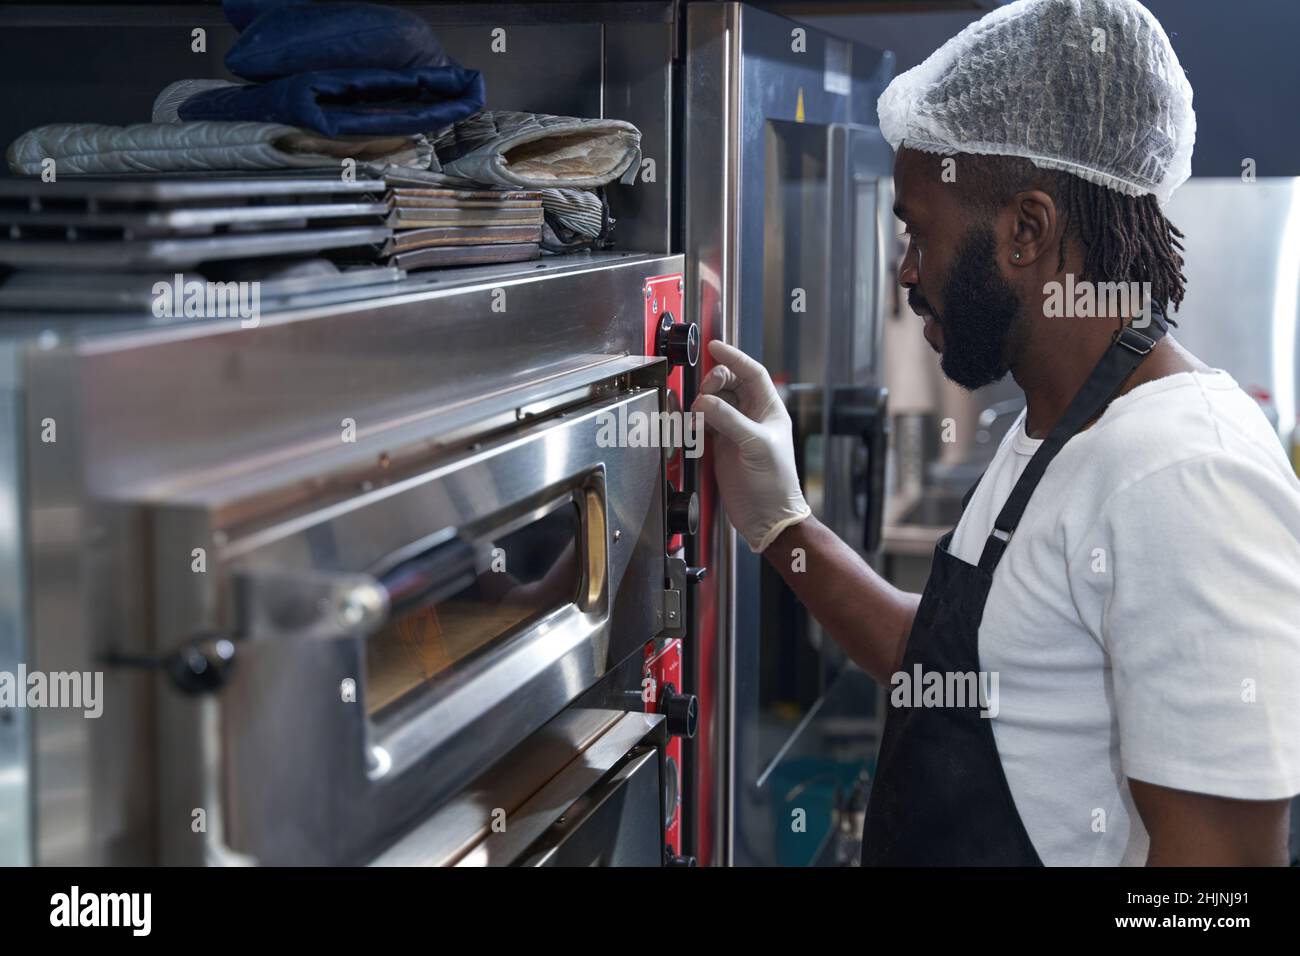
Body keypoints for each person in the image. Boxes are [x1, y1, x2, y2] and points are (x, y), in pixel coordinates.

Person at [692, 0, 1300, 865]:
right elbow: (960, 673)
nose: (906, 272)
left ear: (1027, 230)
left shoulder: (1181, 471)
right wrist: (784, 529)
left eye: (917, 231)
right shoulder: (1058, 428)